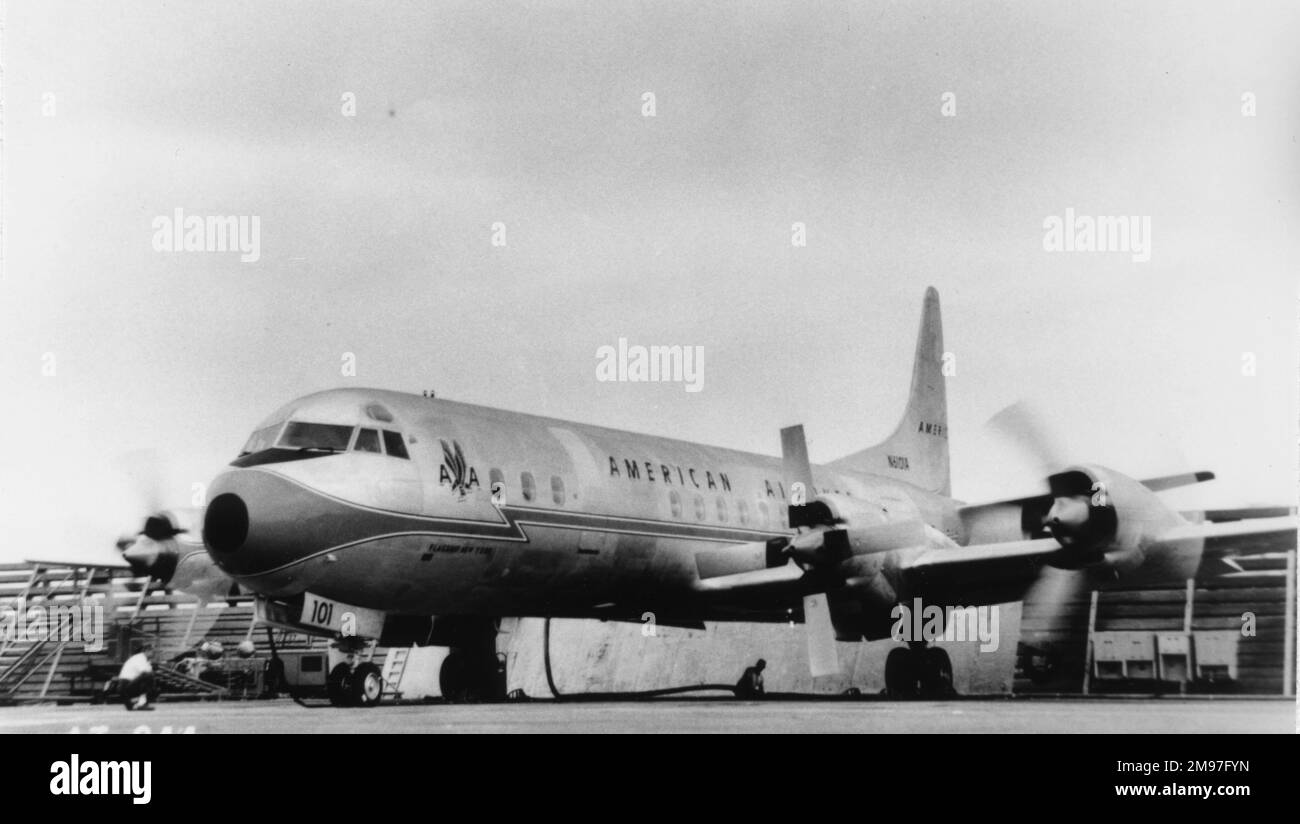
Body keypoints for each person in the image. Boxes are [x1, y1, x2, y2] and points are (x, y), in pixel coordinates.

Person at [118, 644, 156, 711]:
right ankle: (141, 704)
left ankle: (135, 703)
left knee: (150, 678)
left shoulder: (145, 660)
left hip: (127, 685)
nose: (154, 654)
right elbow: (145, 673)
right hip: (125, 686)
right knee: (148, 676)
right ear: (147, 651)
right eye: (153, 652)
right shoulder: (140, 658)